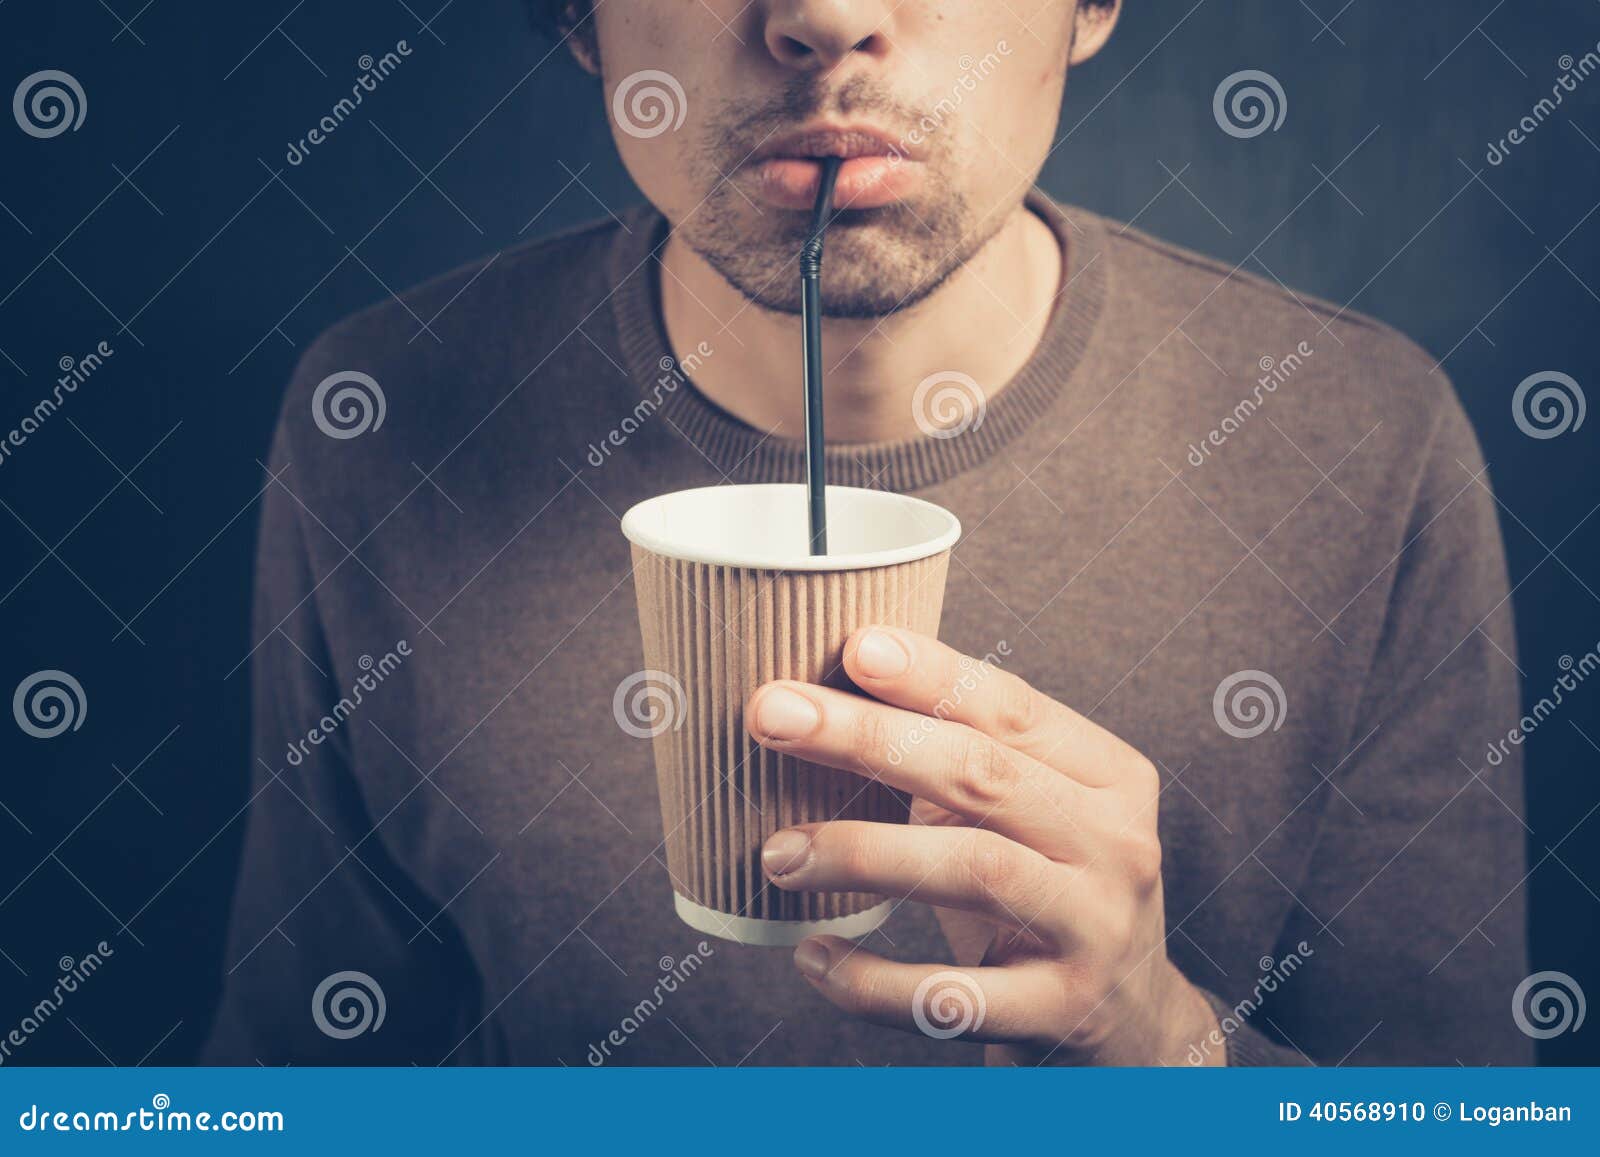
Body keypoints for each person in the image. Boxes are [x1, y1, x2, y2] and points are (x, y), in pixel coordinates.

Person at [204, 1, 1531, 1066]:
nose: (824, 19)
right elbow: (298, 1082)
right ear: (580, 21)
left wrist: (1158, 1045)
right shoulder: (377, 415)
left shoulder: (1361, 439)